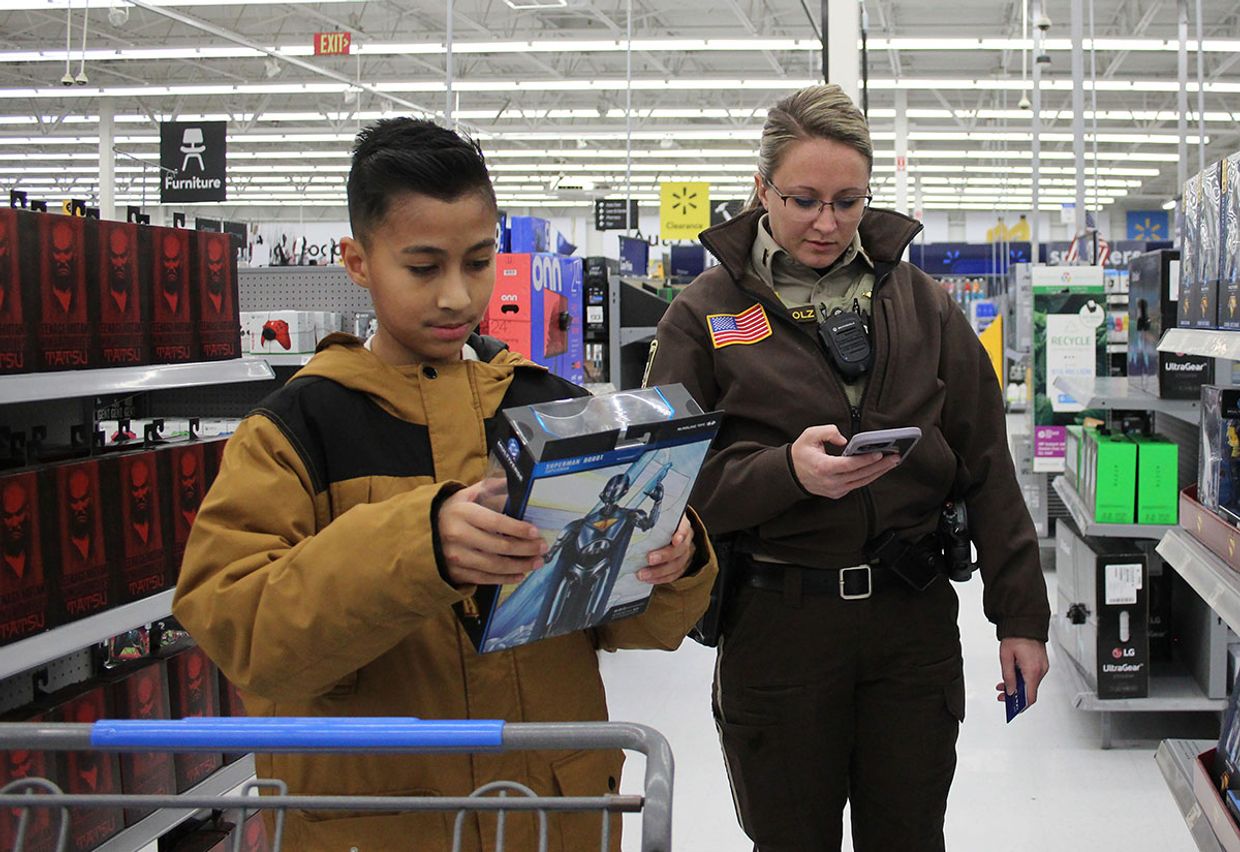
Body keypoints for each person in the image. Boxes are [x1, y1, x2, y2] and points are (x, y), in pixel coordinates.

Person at [172, 116, 717, 852]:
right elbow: (241, 628)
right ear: (358, 262)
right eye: (424, 267)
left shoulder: (550, 406)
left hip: (549, 817)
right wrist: (419, 547)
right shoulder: (299, 427)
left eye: (479, 261)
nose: (459, 296)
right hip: (382, 827)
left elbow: (630, 625)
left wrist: (669, 558)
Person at [644, 84, 1051, 852]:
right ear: (761, 187)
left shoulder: (922, 303)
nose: (826, 223)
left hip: (911, 621)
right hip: (778, 625)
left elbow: (988, 464)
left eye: (848, 200)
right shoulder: (703, 314)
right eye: (802, 199)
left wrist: (1021, 618)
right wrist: (783, 473)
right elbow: (662, 486)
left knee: (908, 837)